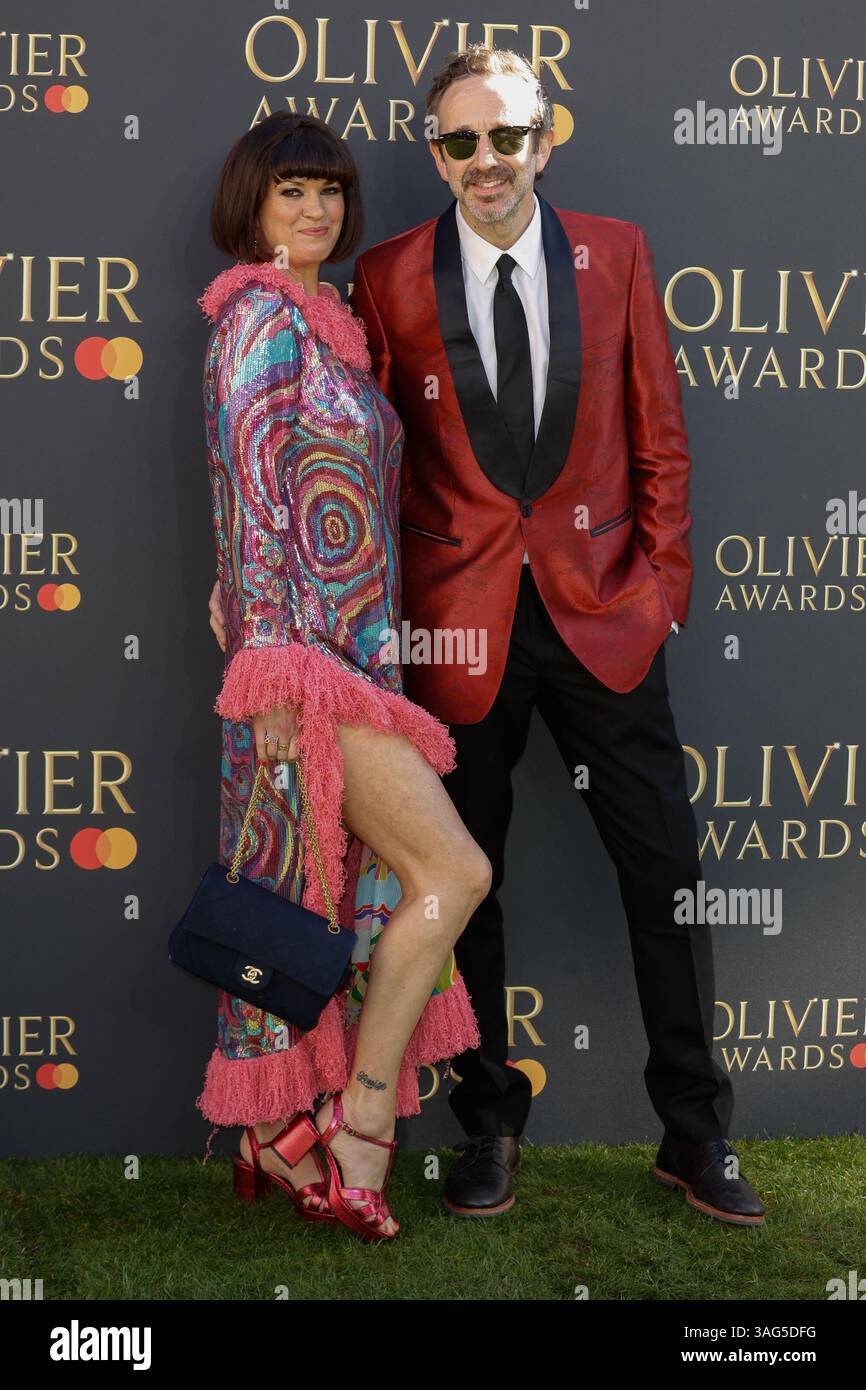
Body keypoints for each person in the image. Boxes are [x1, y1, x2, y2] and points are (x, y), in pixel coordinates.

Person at [209, 49, 765, 1228]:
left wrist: (658, 585)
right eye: (459, 142)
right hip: (453, 632)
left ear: (541, 139)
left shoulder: (610, 253)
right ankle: (488, 1124)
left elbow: (658, 437)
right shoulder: (384, 273)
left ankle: (694, 1130)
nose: (484, 161)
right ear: (434, 151)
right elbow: (327, 453)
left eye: (504, 136)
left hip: (605, 618)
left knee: (666, 874)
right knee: (470, 882)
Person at [195, 110, 490, 1244]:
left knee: (364, 892)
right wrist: (269, 661)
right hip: (307, 670)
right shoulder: (258, 320)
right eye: (291, 195)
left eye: (328, 192)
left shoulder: (327, 324)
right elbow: (256, 494)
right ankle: (357, 1125)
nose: (315, 212)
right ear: (252, 207)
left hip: (355, 657)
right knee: (448, 870)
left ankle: (300, 1133)